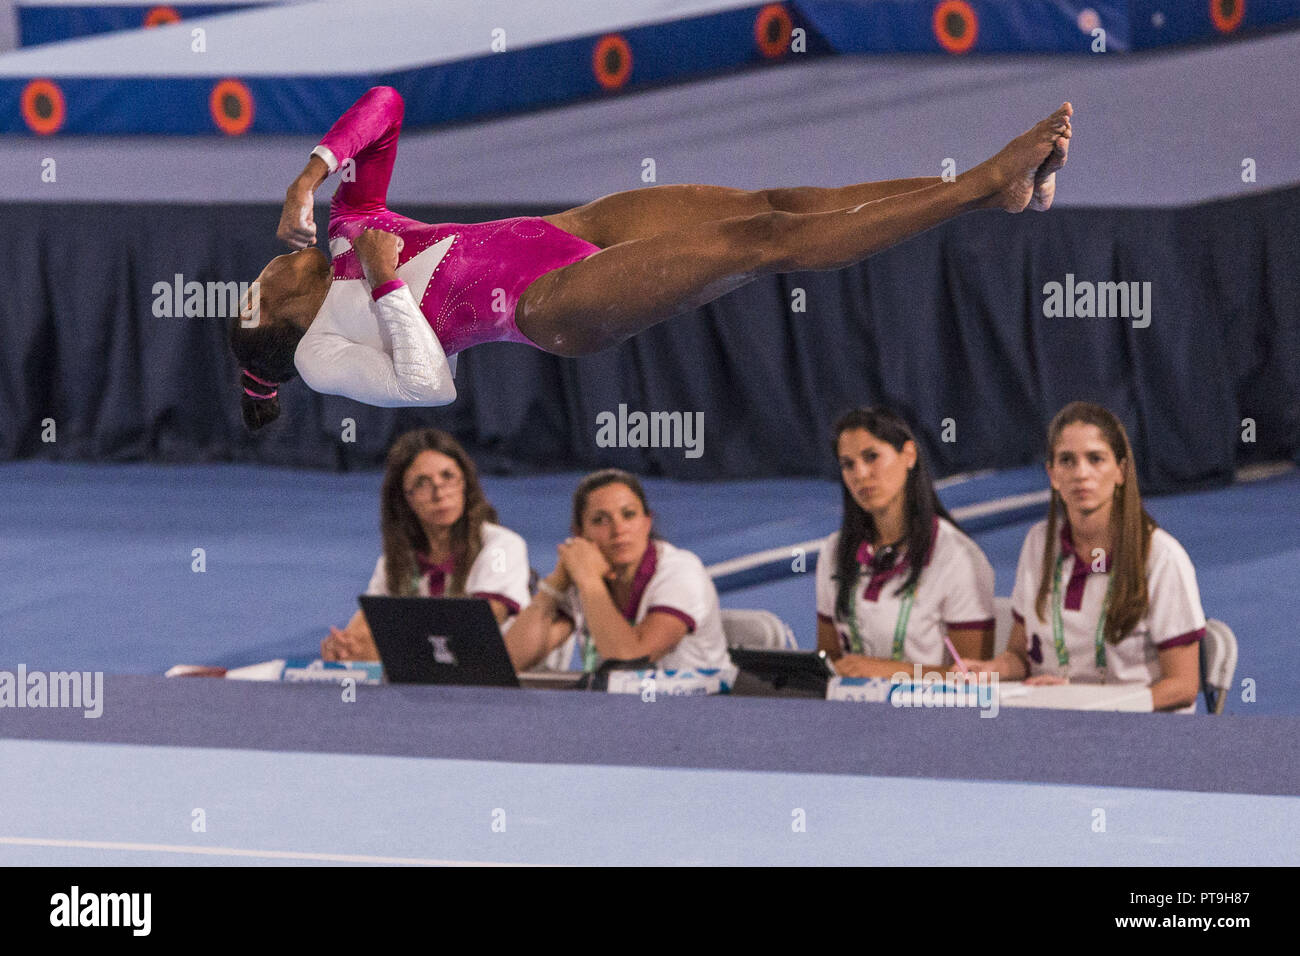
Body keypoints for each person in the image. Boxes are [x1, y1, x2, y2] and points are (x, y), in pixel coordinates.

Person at [229, 85, 1072, 428]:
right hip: (550, 304)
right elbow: (429, 385)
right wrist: (383, 283)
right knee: (762, 243)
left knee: (770, 204)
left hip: (571, 226)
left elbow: (387, 104)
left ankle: (989, 189)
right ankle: (982, 186)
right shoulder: (320, 349)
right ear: (275, 315)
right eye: (258, 287)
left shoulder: (344, 225)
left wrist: (311, 175)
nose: (263, 267)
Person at [967, 402, 1204, 711]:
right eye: (1067, 460)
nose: (1081, 473)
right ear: (1052, 474)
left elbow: (1183, 687)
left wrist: (1091, 704)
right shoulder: (1039, 544)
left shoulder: (1161, 558)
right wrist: (992, 670)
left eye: (1096, 459)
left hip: (1137, 733)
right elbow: (1020, 657)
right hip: (1057, 725)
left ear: (1121, 471)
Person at [320, 428, 531, 662]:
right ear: (404, 498)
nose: (439, 492)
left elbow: (479, 627)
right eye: (422, 483)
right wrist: (346, 647)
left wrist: (390, 642)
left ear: (465, 483)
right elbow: (365, 628)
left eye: (448, 476)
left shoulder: (501, 546)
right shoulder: (395, 560)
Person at [817, 408, 995, 678]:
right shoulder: (834, 551)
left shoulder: (958, 557)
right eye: (848, 464)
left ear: (909, 455)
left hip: (934, 716)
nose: (860, 474)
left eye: (871, 457)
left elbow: (975, 677)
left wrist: (889, 672)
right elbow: (828, 664)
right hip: (851, 714)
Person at [504, 469, 728, 680]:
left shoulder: (680, 572)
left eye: (628, 515)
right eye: (600, 520)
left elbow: (630, 663)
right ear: (580, 533)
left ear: (647, 522)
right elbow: (512, 660)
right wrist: (555, 583)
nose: (618, 529)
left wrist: (590, 582)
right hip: (624, 712)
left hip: (706, 710)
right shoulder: (584, 574)